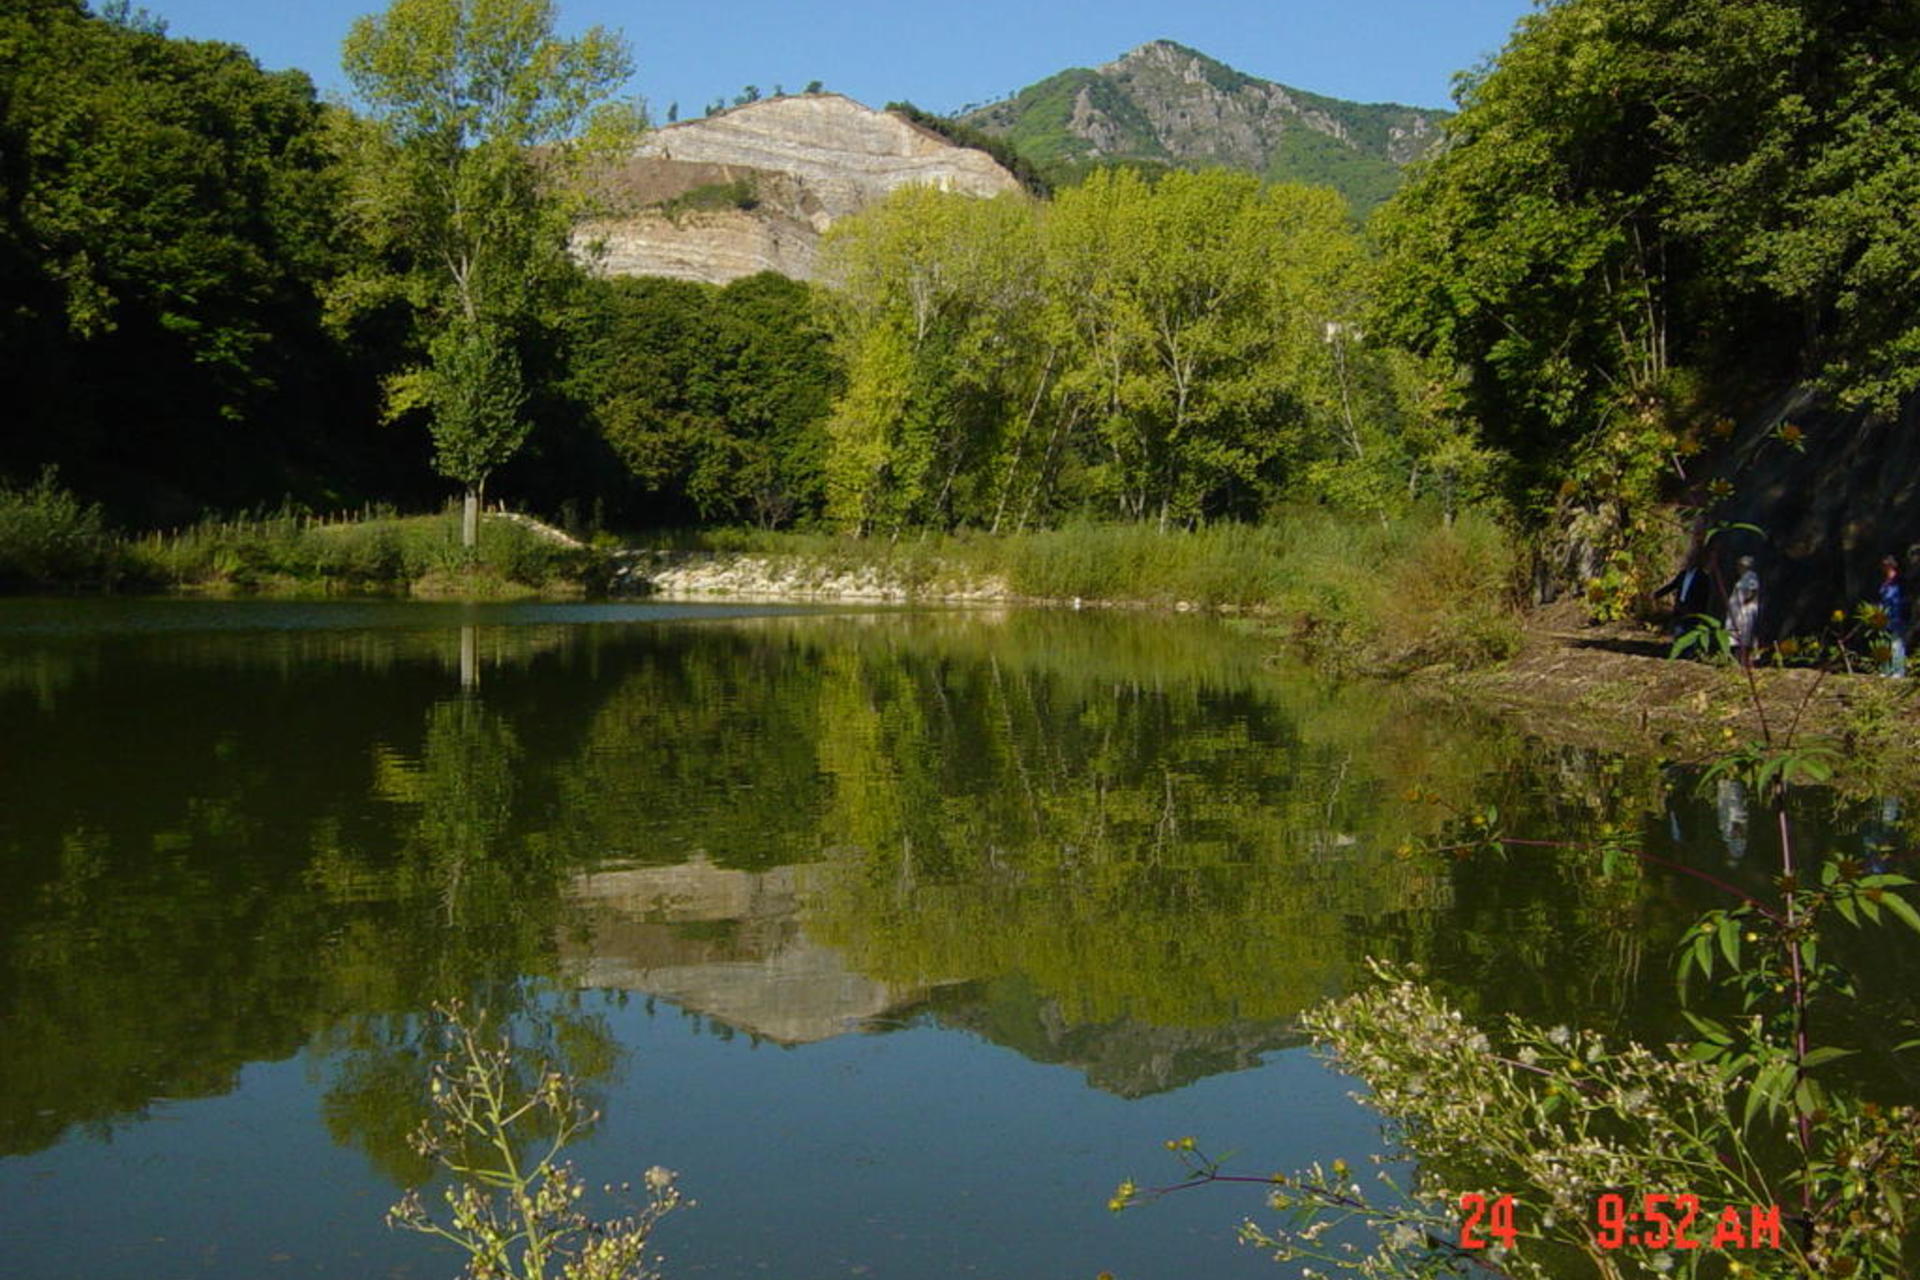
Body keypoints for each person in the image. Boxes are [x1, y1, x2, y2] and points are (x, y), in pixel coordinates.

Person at [1654, 549, 1714, 640]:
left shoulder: (1703, 576)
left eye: (1690, 560)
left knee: (1689, 632)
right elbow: (1672, 585)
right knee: (1678, 630)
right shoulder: (1683, 574)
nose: (1687, 562)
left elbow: (1705, 594)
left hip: (1693, 609)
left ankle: (1688, 652)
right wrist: (1657, 594)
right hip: (1680, 606)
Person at [1878, 553, 1908, 677]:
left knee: (1897, 644)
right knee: (1884, 643)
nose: (1884, 568)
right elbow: (1882, 598)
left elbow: (1899, 600)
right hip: (1885, 617)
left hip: (1897, 617)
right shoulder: (1885, 583)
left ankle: (1898, 671)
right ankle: (1886, 670)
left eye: (1886, 566)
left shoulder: (1899, 582)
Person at [1726, 555, 1760, 660]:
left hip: (1746, 611)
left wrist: (1746, 602)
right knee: (1736, 634)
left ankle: (1744, 657)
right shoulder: (1743, 577)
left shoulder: (1751, 576)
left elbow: (1754, 590)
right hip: (1738, 610)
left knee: (1745, 634)